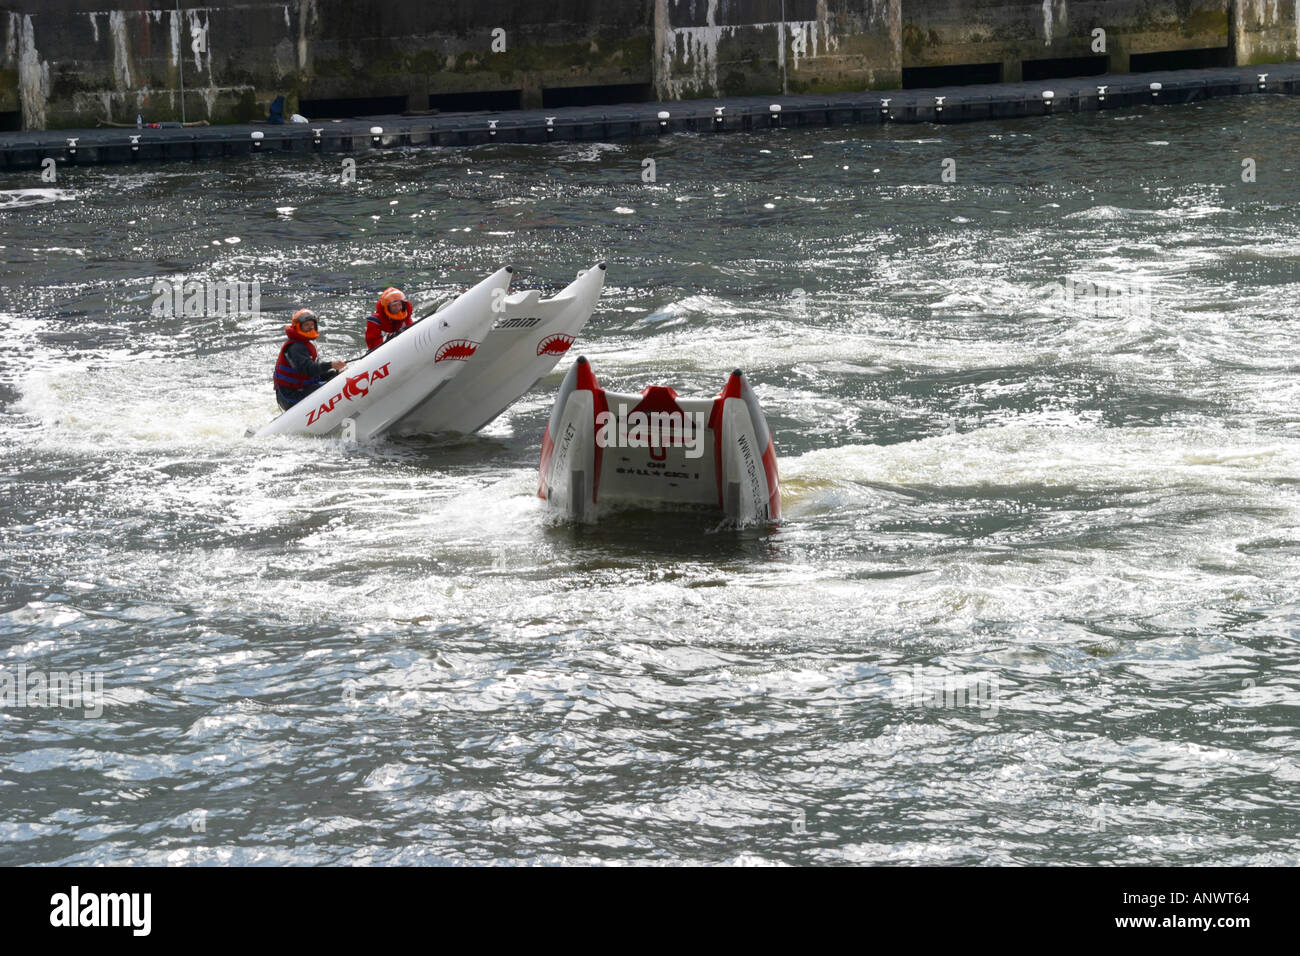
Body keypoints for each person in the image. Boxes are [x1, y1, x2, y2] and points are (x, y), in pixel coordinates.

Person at [274, 309, 346, 410]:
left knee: (335, 377)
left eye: (312, 325)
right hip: (291, 396)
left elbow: (314, 375)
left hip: (302, 389)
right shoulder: (295, 347)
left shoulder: (305, 344)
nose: (310, 327)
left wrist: (335, 373)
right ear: (298, 327)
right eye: (306, 325)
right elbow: (309, 369)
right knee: (331, 388)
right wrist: (331, 364)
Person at [365, 287, 414, 351]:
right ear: (387, 307)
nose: (398, 308)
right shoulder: (375, 321)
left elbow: (411, 331)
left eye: (399, 304)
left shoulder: (405, 314)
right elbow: (374, 345)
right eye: (394, 305)